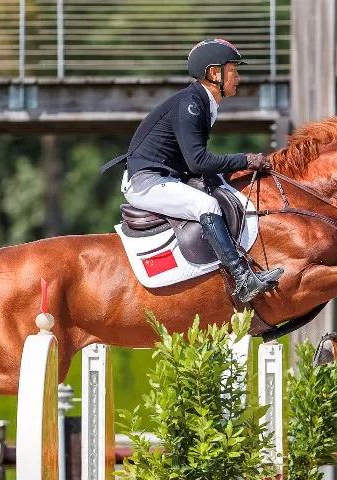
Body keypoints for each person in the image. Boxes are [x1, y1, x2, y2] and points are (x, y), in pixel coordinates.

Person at [101, 39, 283, 302]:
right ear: (213, 73)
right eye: (233, 70)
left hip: (166, 177)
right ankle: (241, 278)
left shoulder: (203, 103)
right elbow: (197, 162)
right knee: (207, 206)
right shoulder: (191, 104)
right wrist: (244, 159)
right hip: (147, 182)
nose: (239, 77)